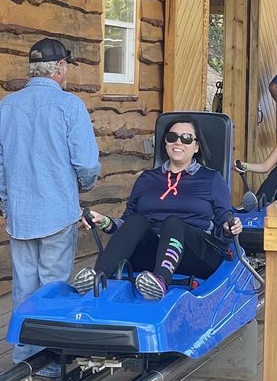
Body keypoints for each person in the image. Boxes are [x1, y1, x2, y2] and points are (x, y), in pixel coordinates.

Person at [0, 37, 100, 368]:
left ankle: (24, 358)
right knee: (52, 288)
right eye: (67, 66)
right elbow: (87, 163)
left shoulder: (6, 106)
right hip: (57, 211)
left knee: (24, 288)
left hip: (21, 215)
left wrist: (10, 204)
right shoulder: (70, 106)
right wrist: (80, 187)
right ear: (59, 68)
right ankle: (50, 359)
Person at [87, 116, 242, 300]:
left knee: (174, 223)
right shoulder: (147, 179)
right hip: (153, 252)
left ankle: (160, 281)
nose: (178, 142)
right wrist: (104, 221)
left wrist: (228, 228)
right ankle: (97, 278)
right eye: (172, 137)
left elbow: (224, 220)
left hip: (195, 254)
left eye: (186, 138)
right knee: (137, 221)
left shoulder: (211, 179)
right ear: (166, 143)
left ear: (197, 146)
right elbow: (127, 222)